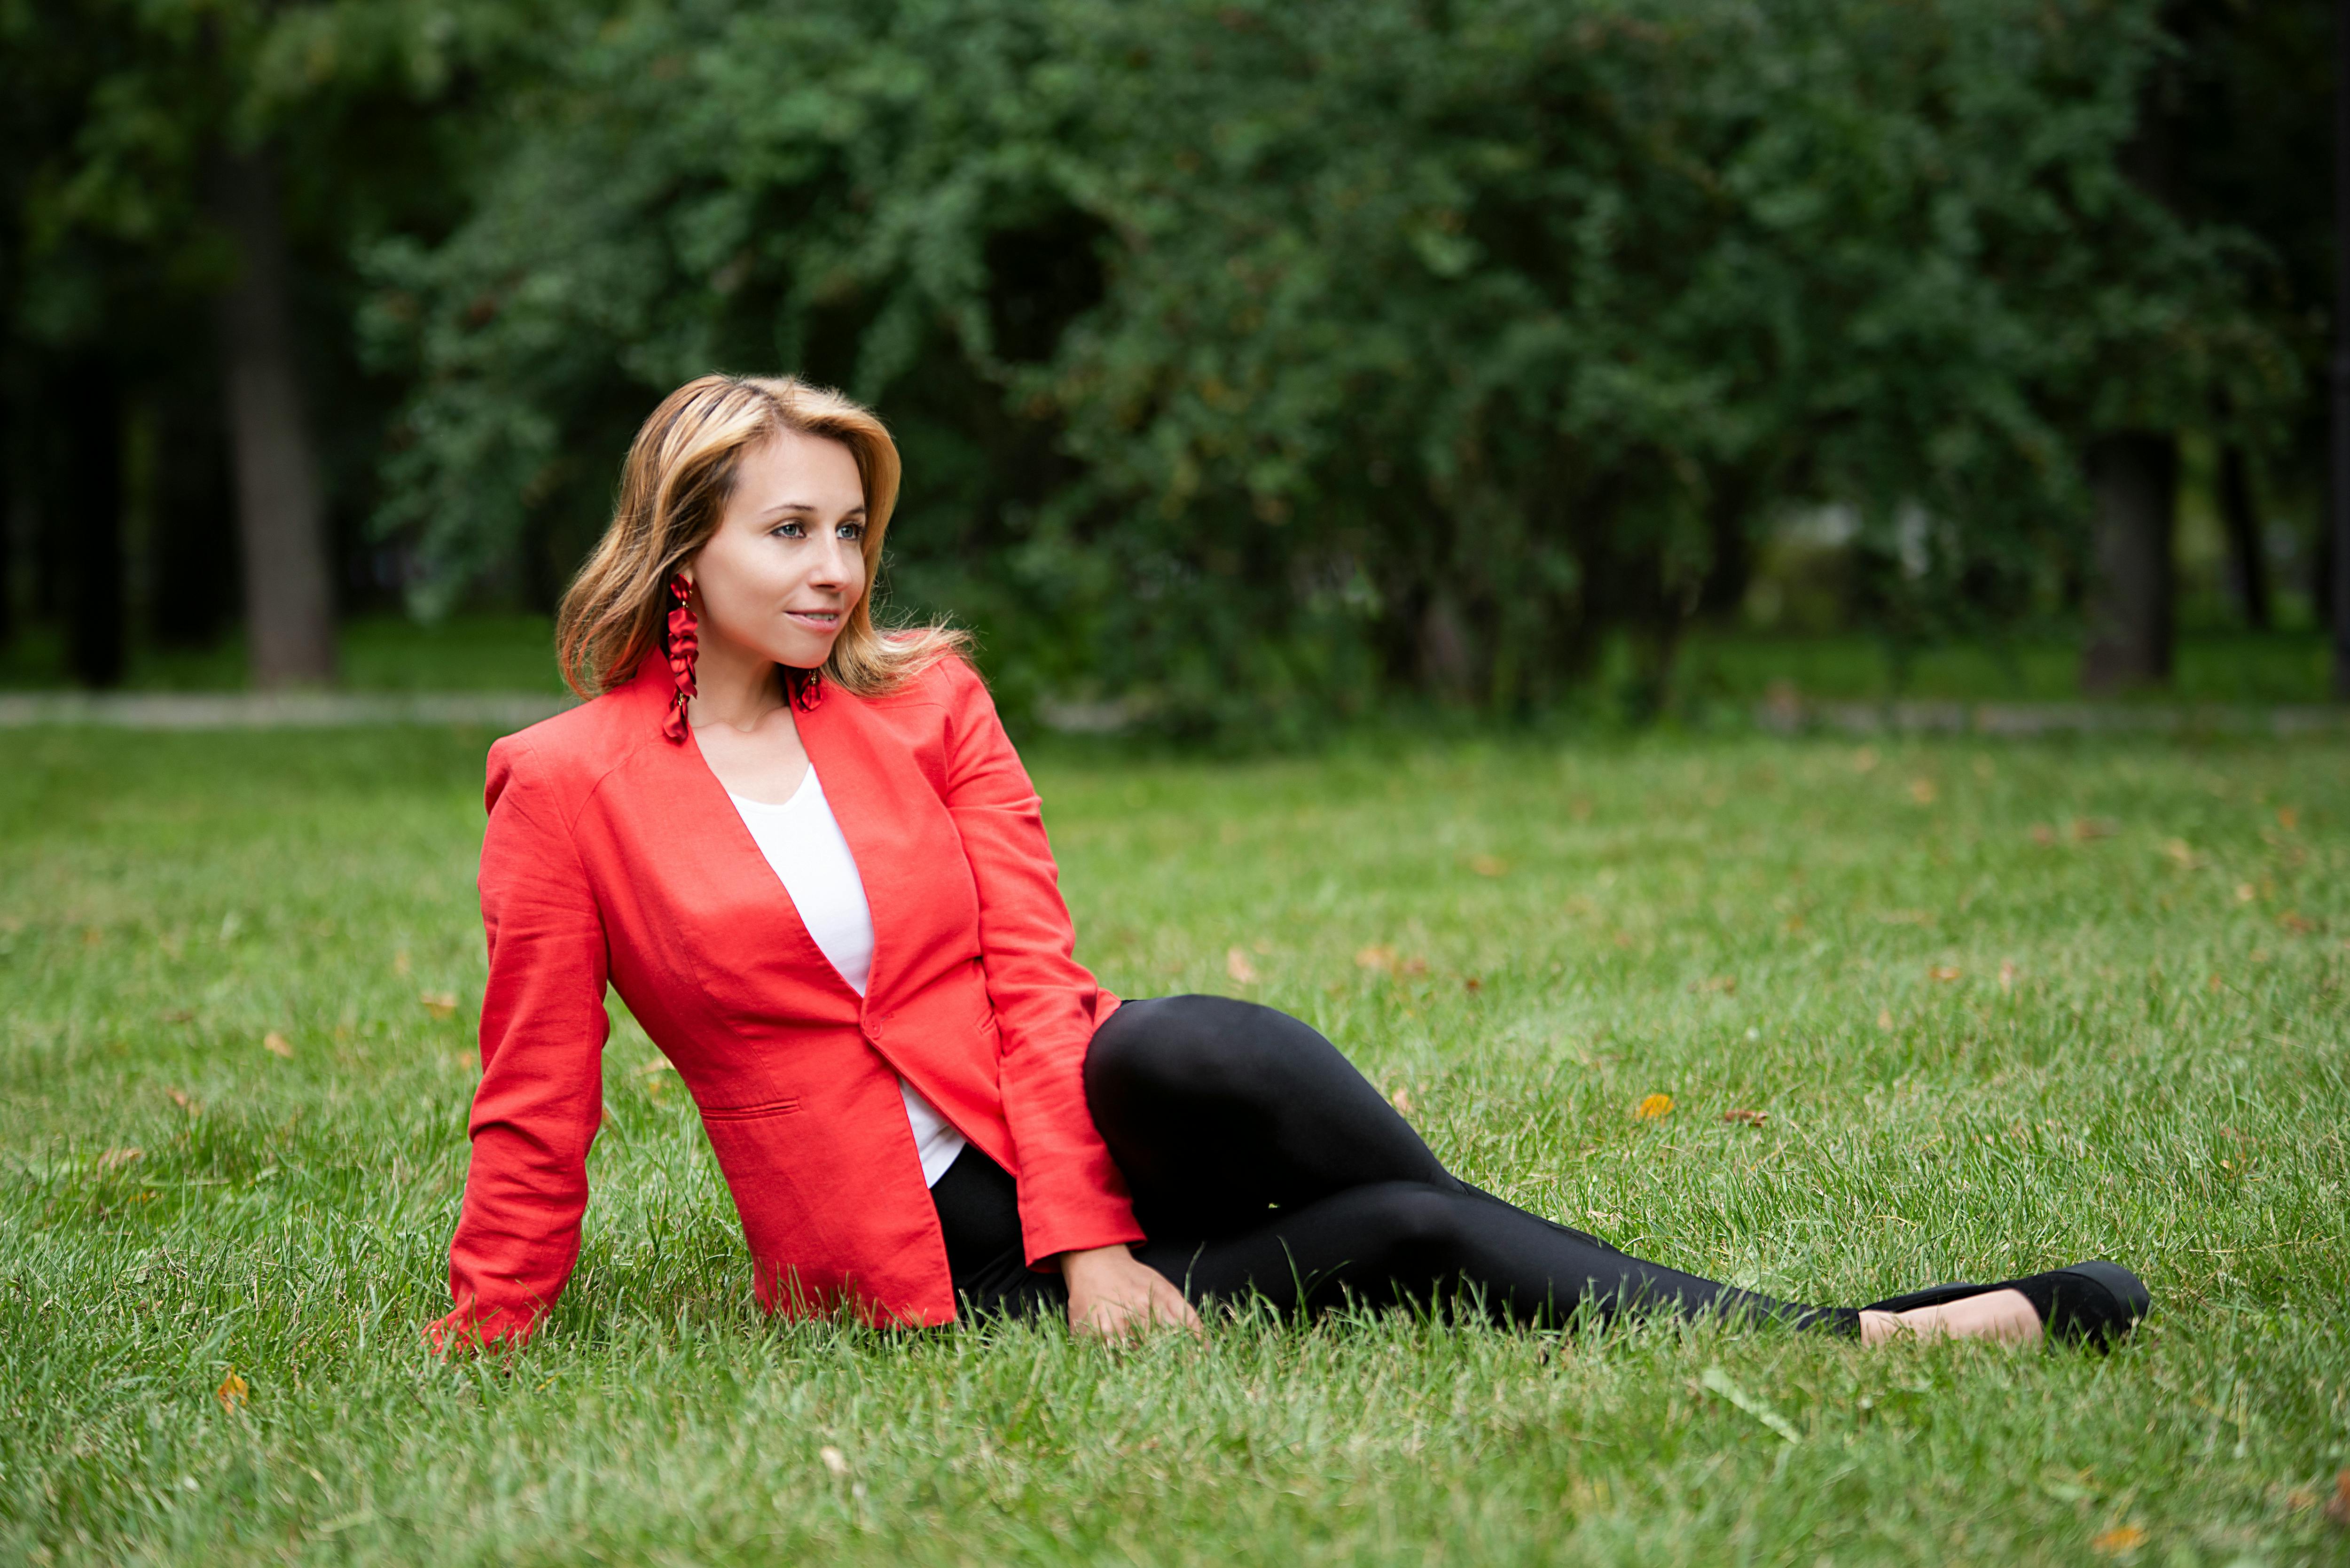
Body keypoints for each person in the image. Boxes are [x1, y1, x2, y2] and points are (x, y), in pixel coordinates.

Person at [428, 374, 2150, 1354]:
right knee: (1392, 1226)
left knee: (1200, 1040)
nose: (835, 566)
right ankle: (1860, 1337)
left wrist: (1100, 1236)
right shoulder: (564, 785)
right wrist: (484, 1333)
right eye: (788, 530)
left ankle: (1529, 1274)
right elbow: (537, 1097)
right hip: (926, 1252)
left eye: (852, 525)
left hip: (1070, 1132)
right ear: (683, 545)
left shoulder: (926, 702)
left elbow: (1031, 971)